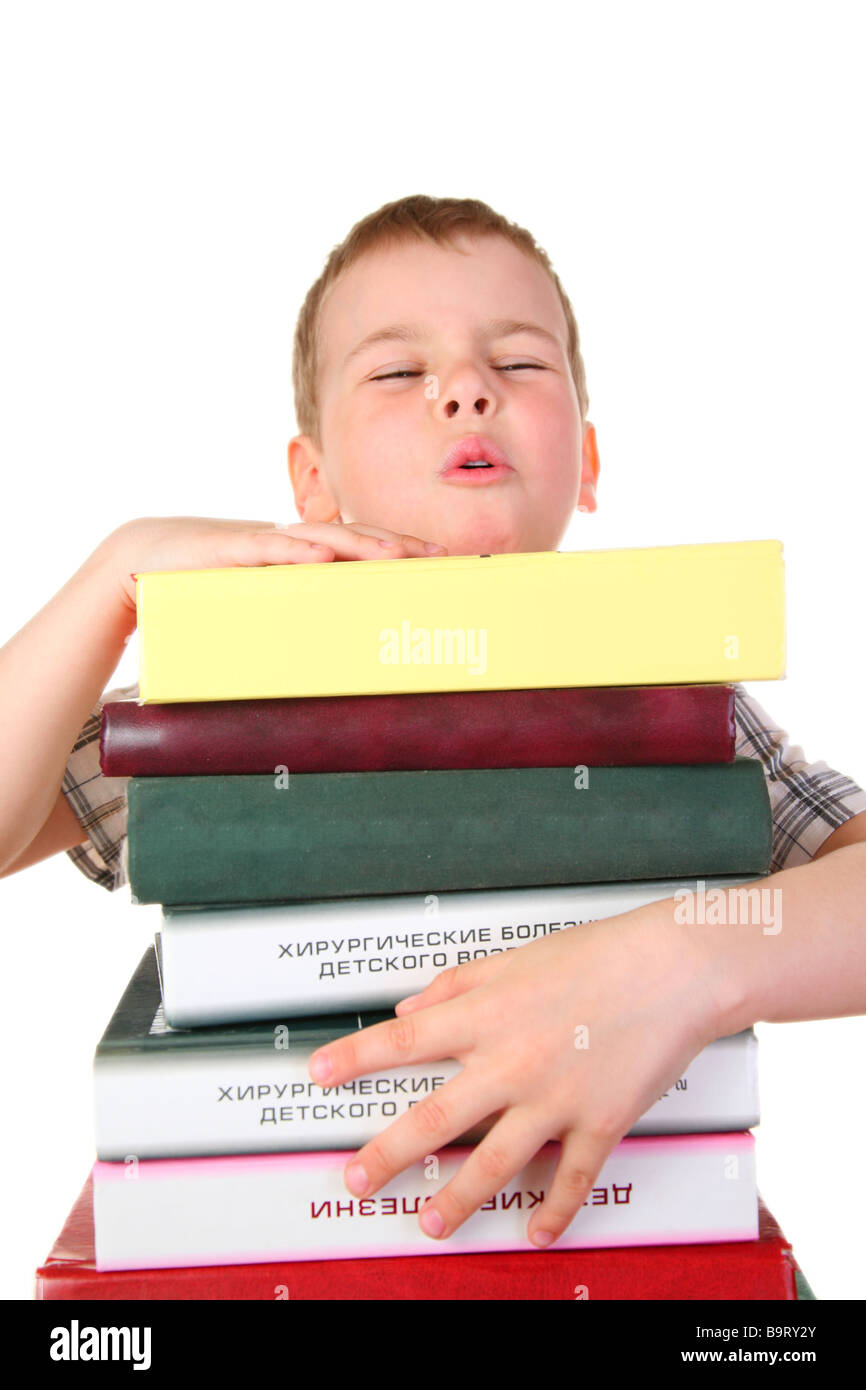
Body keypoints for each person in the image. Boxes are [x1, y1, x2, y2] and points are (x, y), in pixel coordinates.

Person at [2, 194, 865, 1251]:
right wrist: (111, 574)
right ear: (309, 483)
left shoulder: (679, 711)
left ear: (586, 462)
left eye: (518, 363)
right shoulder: (209, 723)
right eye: (397, 372)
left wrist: (678, 963)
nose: (463, 390)